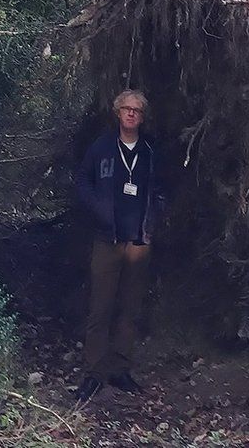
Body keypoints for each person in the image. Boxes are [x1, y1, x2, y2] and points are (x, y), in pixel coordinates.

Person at [74, 89, 164, 402]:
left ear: (142, 116)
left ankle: (120, 369)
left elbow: (162, 188)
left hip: (139, 241)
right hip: (107, 238)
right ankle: (94, 374)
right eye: (126, 109)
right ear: (117, 112)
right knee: (101, 307)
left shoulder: (150, 151)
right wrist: (98, 208)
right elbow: (82, 180)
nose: (131, 114)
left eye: (137, 111)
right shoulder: (101, 147)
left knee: (130, 308)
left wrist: (154, 220)